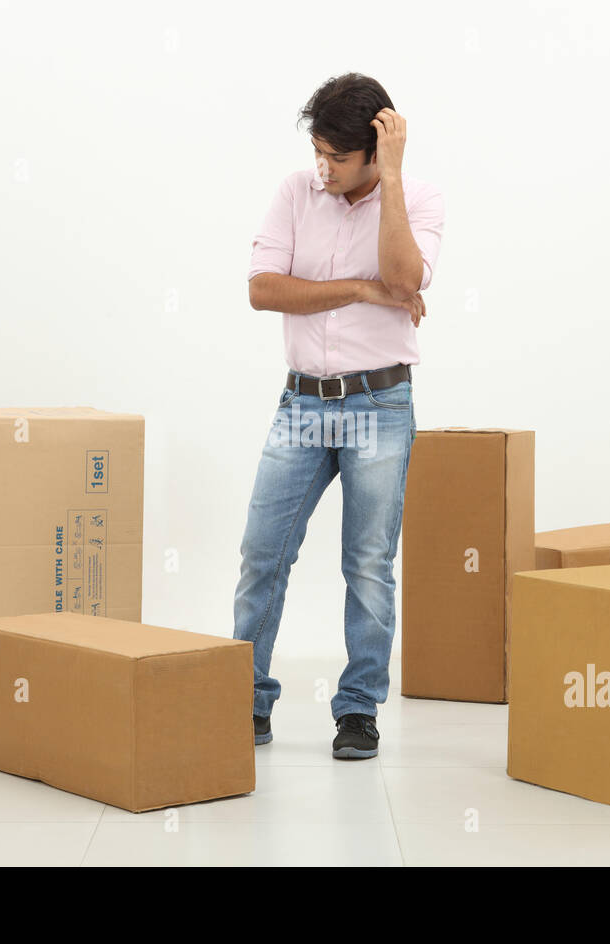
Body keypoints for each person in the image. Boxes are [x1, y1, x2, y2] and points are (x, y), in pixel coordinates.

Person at [234, 72, 446, 759]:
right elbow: (264, 291)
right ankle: (246, 700)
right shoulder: (297, 192)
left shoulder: (418, 199)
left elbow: (405, 279)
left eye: (336, 156)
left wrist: (390, 180)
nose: (321, 167)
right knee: (263, 552)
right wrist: (358, 288)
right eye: (316, 150)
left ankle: (357, 709)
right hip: (302, 403)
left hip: (379, 403)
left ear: (373, 151)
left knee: (367, 564)